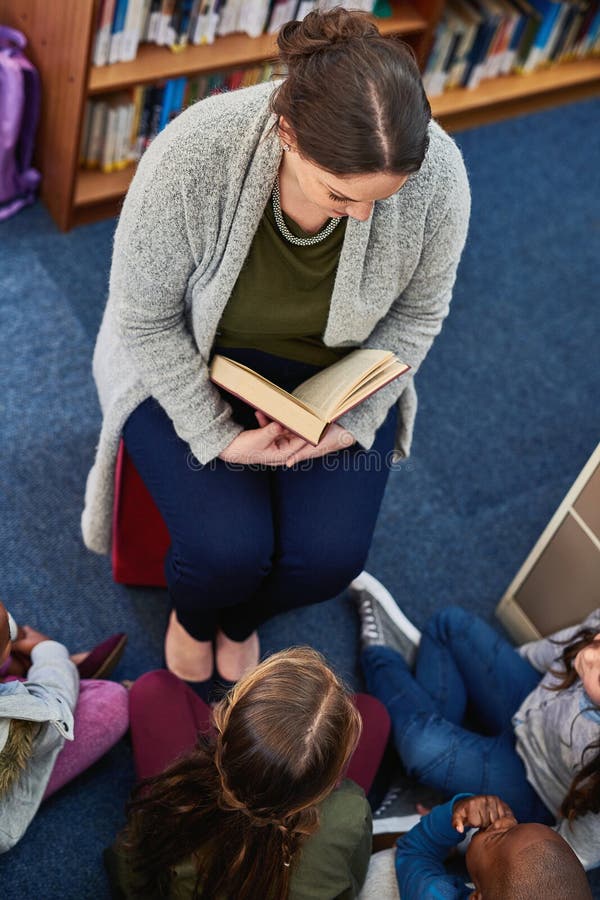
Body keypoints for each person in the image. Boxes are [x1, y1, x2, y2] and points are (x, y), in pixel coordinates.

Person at [82, 8, 470, 694]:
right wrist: (215, 435)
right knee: (224, 551)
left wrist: (352, 420)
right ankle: (196, 620)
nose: (364, 218)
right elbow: (143, 320)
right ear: (287, 133)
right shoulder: (196, 152)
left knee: (331, 560)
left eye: (385, 198)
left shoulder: (439, 174)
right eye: (342, 196)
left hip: (333, 378)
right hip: (187, 356)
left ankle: (240, 623)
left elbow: (417, 316)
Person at [352, 573, 600, 870]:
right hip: (533, 701)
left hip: (537, 787)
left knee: (420, 744)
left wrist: (468, 838)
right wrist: (490, 670)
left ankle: (383, 658)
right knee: (449, 624)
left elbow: (567, 856)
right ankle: (425, 768)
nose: (592, 649)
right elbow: (552, 651)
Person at [105, 647, 391, 899]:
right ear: (330, 780)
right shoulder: (349, 812)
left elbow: (133, 866)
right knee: (374, 714)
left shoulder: (177, 793)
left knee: (154, 688)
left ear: (225, 719)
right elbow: (349, 885)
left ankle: (249, 737)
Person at [0, 600, 129, 852]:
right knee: (112, 702)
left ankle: (18, 668)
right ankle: (39, 667)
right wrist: (48, 651)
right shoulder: (14, 727)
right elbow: (53, 705)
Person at [395, 793, 592, 899]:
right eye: (518, 825)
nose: (506, 821)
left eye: (499, 836)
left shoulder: (436, 895)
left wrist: (455, 814)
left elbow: (415, 851)